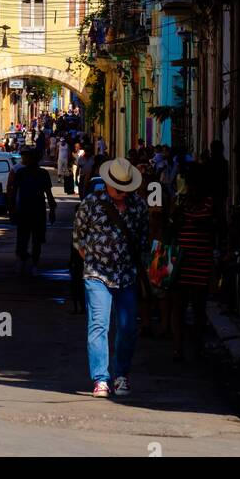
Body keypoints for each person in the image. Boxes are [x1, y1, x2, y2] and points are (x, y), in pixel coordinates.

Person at [72, 156, 151, 398]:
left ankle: (122, 375)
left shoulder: (138, 206)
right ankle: (101, 379)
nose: (123, 192)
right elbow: (78, 237)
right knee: (99, 326)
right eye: (119, 188)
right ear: (108, 183)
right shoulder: (91, 204)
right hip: (97, 275)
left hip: (127, 275)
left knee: (127, 327)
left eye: (127, 188)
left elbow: (143, 239)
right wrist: (94, 260)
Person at [169, 164, 217, 362]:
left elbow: (214, 230)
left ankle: (197, 347)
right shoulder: (182, 203)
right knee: (179, 309)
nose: (192, 189)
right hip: (181, 265)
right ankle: (179, 348)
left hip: (201, 264)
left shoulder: (210, 205)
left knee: (198, 310)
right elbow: (172, 230)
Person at [7, 146, 56, 275]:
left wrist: (52, 210)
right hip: (26, 211)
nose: (28, 160)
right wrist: (11, 209)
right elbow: (13, 192)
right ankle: (25, 261)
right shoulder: (21, 173)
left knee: (35, 240)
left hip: (36, 212)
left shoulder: (41, 174)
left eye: (30, 157)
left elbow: (48, 194)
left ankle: (32, 263)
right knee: (25, 239)